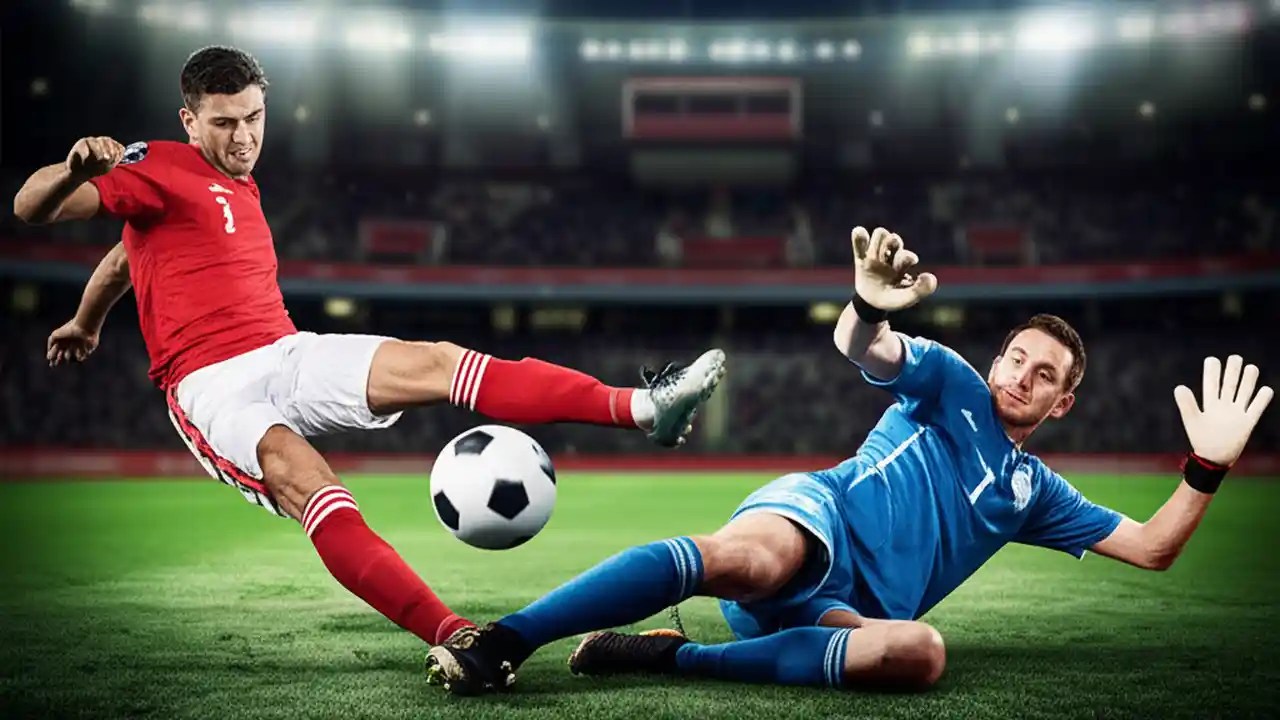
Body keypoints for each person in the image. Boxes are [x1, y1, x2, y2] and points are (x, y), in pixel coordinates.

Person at [12, 45, 726, 652]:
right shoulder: (155, 165)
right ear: (188, 120)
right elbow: (28, 207)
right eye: (224, 123)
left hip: (286, 350)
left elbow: (123, 257)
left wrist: (86, 321)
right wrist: (77, 170)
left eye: (253, 119)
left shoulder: (236, 187)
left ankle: (642, 408)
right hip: (210, 385)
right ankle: (456, 636)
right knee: (312, 486)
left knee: (439, 361)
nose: (242, 137)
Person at [423, 226, 1272, 694]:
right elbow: (866, 346)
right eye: (1016, 356)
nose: (1021, 374)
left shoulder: (1037, 493)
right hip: (814, 517)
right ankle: (505, 641)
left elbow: (1155, 547)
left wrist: (1206, 468)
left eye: (1043, 374)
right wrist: (867, 303)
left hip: (845, 610)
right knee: (752, 559)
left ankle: (665, 656)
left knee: (920, 656)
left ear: (1062, 404)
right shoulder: (951, 382)